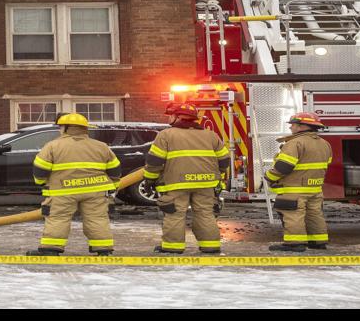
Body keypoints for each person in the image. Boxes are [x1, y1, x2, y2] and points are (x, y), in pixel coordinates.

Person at [140, 102, 229, 254]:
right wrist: (217, 177)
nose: (169, 119)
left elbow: (155, 162)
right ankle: (211, 246)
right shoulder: (211, 135)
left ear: (178, 117)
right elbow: (224, 161)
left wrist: (149, 179)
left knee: (175, 214)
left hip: (176, 183)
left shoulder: (166, 135)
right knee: (205, 213)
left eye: (171, 115)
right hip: (206, 184)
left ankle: (172, 247)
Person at [26, 113, 119, 256]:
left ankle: (51, 248)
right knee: (97, 218)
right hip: (96, 191)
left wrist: (41, 182)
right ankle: (103, 248)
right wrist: (114, 185)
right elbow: (114, 170)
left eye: (61, 127)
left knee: (58, 217)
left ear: (66, 128)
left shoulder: (53, 146)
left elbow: (40, 169)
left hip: (62, 191)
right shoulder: (101, 146)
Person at [264, 112, 332, 252]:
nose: (291, 128)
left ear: (302, 126)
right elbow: (326, 164)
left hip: (294, 189)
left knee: (293, 214)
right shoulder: (324, 144)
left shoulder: (295, 143)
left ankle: (294, 243)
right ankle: (318, 242)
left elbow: (283, 166)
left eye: (293, 125)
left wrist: (269, 177)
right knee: (314, 214)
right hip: (315, 188)